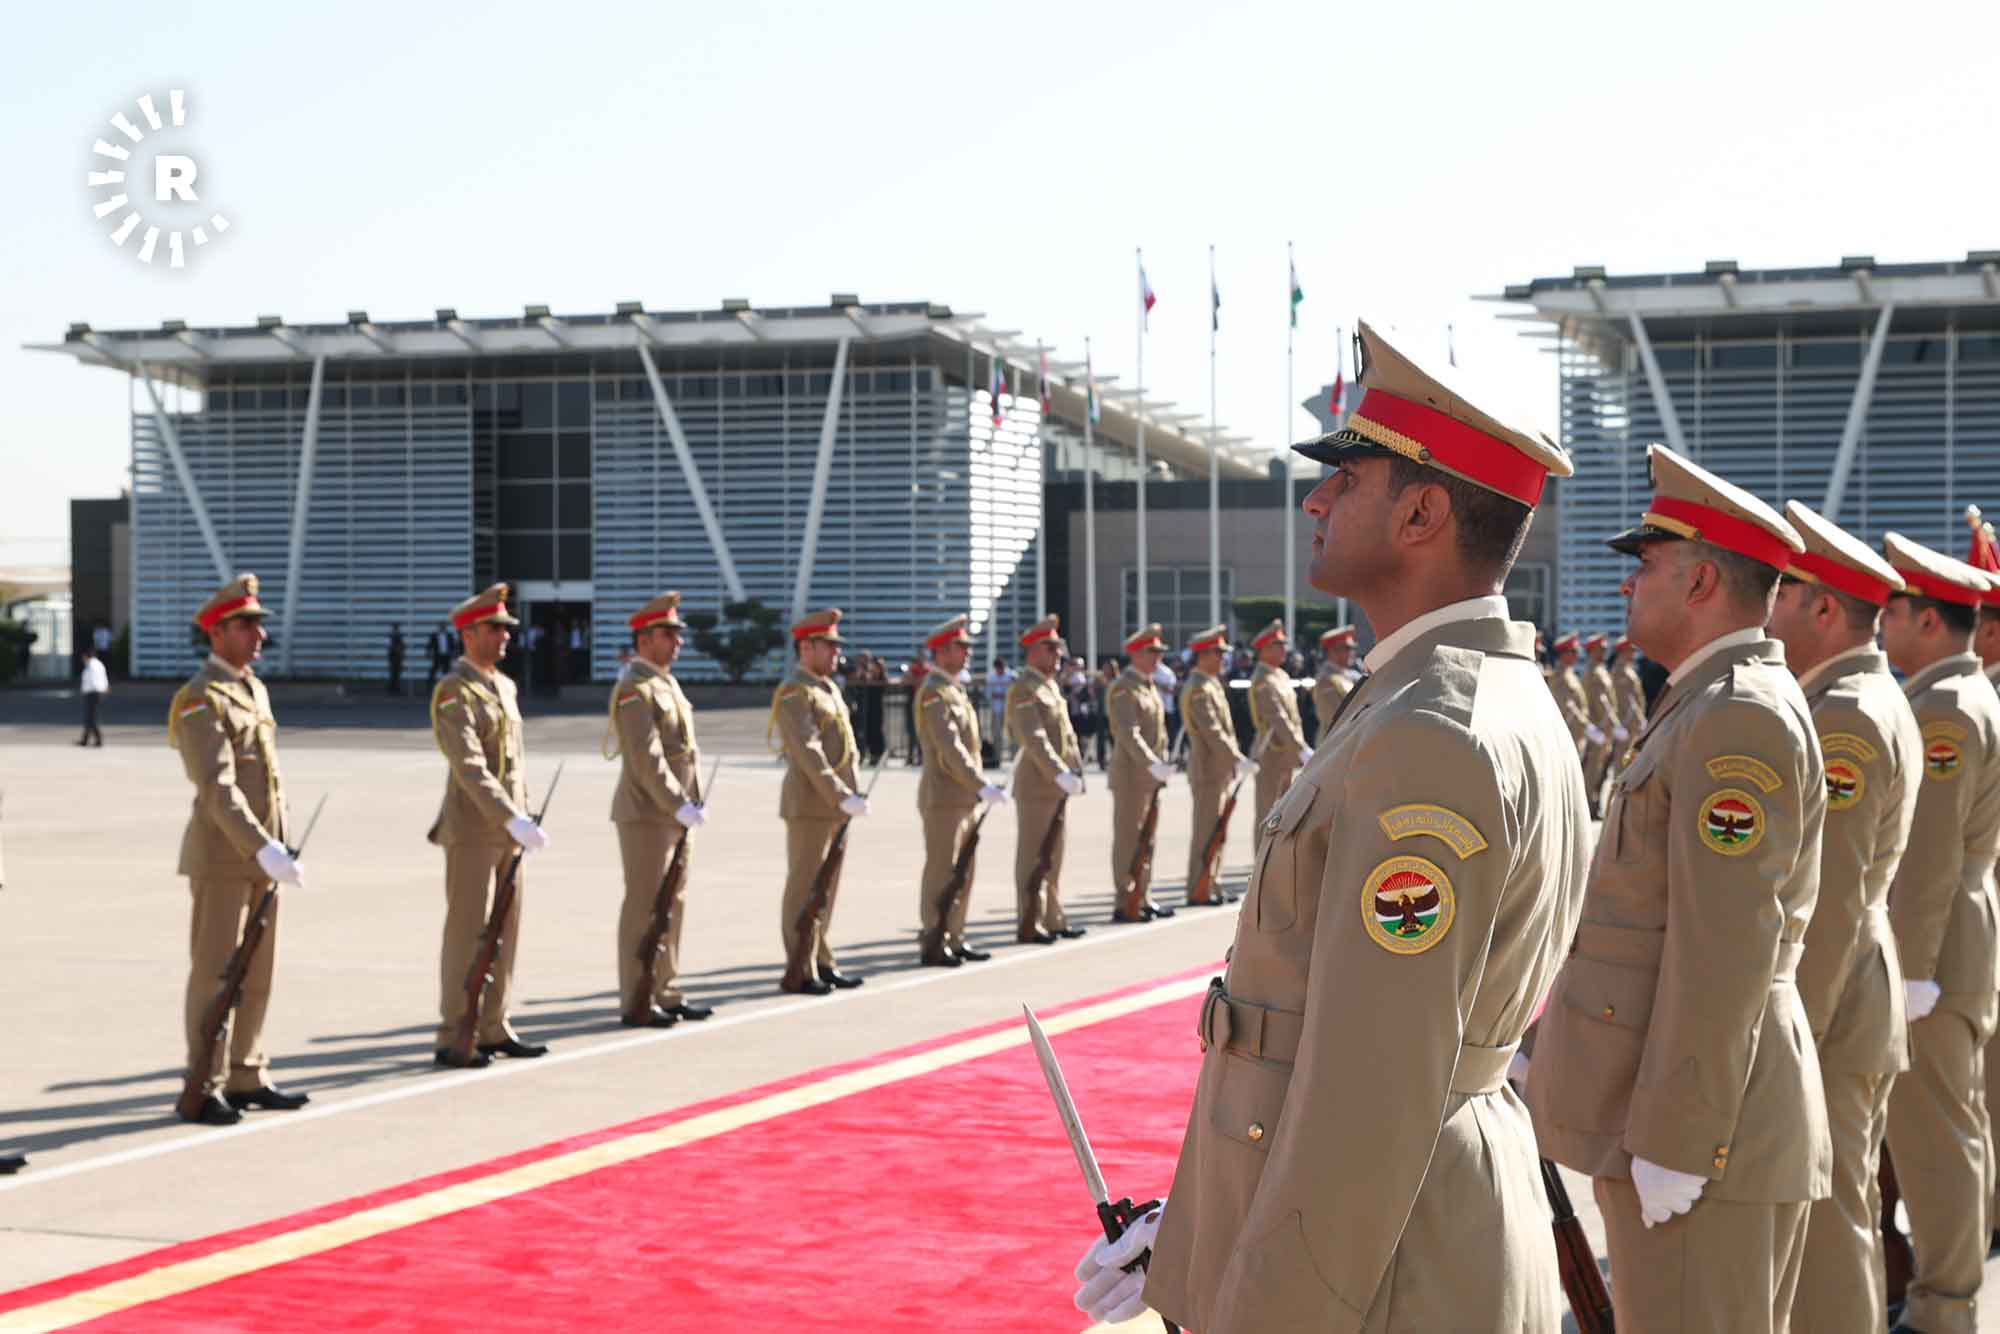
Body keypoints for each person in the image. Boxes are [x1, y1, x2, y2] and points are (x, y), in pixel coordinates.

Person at [1078, 318, 1587, 1332]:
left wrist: (1259, 1305)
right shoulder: (1442, 695)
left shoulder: (1432, 730)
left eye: (1345, 479)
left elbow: (1370, 1088)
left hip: (1384, 1270)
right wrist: (1201, 1233)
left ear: (1422, 513)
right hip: (1397, 1234)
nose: (1314, 498)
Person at [1528, 443, 1828, 1334]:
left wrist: (1678, 1138)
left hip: (1705, 1134)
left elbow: (1725, 949)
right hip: (1688, 1113)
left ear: (1701, 582)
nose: (1629, 583)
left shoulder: (1737, 714)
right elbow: (1642, 921)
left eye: (1648, 564)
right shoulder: (1704, 700)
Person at [1764, 502, 1921, 1334]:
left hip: (1833, 1003)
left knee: (1828, 1225)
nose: (1768, 611)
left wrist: (1793, 1035)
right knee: (1836, 1208)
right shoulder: (1854, 699)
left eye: (1783, 594)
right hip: (1855, 990)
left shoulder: (1845, 719)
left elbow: (1832, 897)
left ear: (1824, 608)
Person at [1875, 532, 2000, 1334]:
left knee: (1937, 1136)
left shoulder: (1945, 709)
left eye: (1892, 612)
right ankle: (1947, 1292)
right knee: (1953, 1126)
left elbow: (1928, 857)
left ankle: (1945, 1305)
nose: (1881, 626)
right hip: (1956, 938)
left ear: (1927, 621)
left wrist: (1912, 971)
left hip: (1938, 950)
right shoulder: (1958, 694)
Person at [167, 574, 310, 1125]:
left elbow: (266, 779)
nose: (259, 635)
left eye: (258, 625)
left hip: (264, 856)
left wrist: (279, 846)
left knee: (258, 972)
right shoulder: (200, 698)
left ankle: (247, 1073)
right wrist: (262, 847)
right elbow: (217, 786)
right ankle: (204, 1083)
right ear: (217, 632)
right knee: (215, 974)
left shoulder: (254, 689)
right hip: (224, 858)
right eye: (247, 625)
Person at [428, 583, 551, 1068]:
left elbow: (513, 763)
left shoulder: (505, 686)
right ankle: (454, 1031)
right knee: (468, 934)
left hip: (509, 830)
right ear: (469, 633)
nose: (505, 637)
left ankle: (494, 1025)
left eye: (506, 628)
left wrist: (525, 812)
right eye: (495, 628)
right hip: (473, 829)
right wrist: (510, 816)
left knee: (505, 930)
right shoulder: (454, 690)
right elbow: (470, 765)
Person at [607, 591, 711, 1029]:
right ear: (644, 639)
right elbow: (646, 758)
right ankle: (637, 995)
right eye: (668, 634)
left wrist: (692, 801)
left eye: (677, 634)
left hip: (675, 814)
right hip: (647, 813)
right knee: (645, 906)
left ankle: (665, 989)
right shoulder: (635, 688)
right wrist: (679, 803)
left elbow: (685, 753)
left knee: (672, 904)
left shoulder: (667, 684)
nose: (677, 642)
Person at [771, 608, 868, 994]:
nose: (835, 653)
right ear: (806, 647)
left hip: (836, 806)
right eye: (828, 645)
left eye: (835, 646)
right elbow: (807, 750)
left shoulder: (828, 688)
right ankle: (800, 965)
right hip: (811, 804)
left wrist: (852, 793)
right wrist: (841, 793)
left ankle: (821, 958)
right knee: (805, 887)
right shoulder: (795, 691)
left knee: (825, 888)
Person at [913, 615, 1008, 967]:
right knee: (942, 871)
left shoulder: (954, 690)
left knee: (963, 872)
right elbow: (949, 748)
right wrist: (980, 784)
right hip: (944, 797)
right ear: (941, 651)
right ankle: (934, 937)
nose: (967, 653)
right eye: (960, 647)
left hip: (964, 797)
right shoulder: (934, 693)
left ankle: (954, 935)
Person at [1007, 615, 1086, 944]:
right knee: (1033, 857)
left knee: (1053, 856)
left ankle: (1053, 917)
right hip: (1037, 785)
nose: (1058, 655)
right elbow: (1034, 738)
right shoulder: (1024, 688)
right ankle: (1030, 919)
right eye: (1050, 648)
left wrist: (1076, 769)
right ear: (1032, 651)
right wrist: (1059, 772)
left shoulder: (1050, 686)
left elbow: (1066, 736)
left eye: (1058, 649)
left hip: (1057, 785)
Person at [1107, 625, 1178, 923]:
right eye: (1152, 652)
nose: (1157, 658)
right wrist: (1152, 763)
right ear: (1135, 653)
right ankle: (1125, 899)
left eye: (1159, 652)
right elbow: (1128, 733)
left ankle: (1142, 895)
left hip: (1149, 777)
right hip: (1131, 776)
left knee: (1146, 838)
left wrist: (1161, 764)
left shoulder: (1148, 685)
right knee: (1129, 839)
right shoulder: (1124, 687)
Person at [1179, 626, 1251, 906]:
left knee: (1218, 830)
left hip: (1218, 770)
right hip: (1207, 769)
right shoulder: (1198, 687)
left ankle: (1212, 883)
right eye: (1217, 653)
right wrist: (1236, 757)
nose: (1223, 658)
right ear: (1203, 655)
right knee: (1206, 831)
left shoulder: (1211, 684)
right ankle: (1198, 886)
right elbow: (1212, 731)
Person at [1246, 619, 1310, 847]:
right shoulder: (1262, 679)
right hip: (1270, 754)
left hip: (1285, 754)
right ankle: (1260, 862)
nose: (1284, 650)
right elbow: (1277, 717)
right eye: (1278, 645)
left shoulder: (1280, 675)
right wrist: (1300, 747)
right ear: (1264, 649)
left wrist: (1298, 747)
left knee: (1282, 815)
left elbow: (1293, 717)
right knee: (1267, 813)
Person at [1580, 632, 1621, 810]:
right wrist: (1611, 722)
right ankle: (1588, 806)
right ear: (1592, 651)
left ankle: (1594, 804)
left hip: (1604, 729)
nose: (1604, 652)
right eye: (1601, 649)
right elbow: (1600, 701)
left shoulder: (1600, 670)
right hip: (1599, 728)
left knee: (1601, 771)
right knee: (1592, 771)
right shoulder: (1593, 673)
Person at [1311, 624, 1359, 743]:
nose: (1352, 653)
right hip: (1334, 743)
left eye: (1352, 649)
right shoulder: (1326, 680)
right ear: (1332, 651)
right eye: (1347, 649)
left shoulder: (1347, 675)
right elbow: (1337, 718)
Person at [1611, 635, 1647, 766]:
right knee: (1623, 764)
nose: (1634, 653)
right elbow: (1627, 701)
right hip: (1627, 724)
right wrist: (1640, 719)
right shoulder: (1620, 672)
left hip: (1632, 724)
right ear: (1623, 651)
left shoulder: (1627, 669)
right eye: (1631, 650)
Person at [987, 658, 1015, 765]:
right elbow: (988, 693)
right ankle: (997, 757)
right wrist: (998, 695)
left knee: (1012, 733)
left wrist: (1004, 695)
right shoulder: (992, 677)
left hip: (1010, 709)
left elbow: (1015, 692)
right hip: (996, 708)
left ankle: (1013, 756)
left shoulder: (1011, 675)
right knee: (996, 733)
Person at [78, 646, 107, 747]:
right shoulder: (98, 664)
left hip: (93, 693)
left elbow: (92, 681)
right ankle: (85, 739)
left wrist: (86, 690)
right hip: (96, 692)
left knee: (91, 718)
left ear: (86, 656)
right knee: (90, 718)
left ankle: (98, 739)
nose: (82, 659)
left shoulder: (92, 666)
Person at [1155, 654, 1182, 750]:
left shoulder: (1166, 672)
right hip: (1154, 709)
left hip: (1166, 708)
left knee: (1167, 734)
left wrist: (1156, 684)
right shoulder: (1146, 671)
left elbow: (1172, 690)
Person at [387, 624, 406, 695]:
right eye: (396, 629)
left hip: (397, 657)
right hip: (394, 657)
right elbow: (391, 648)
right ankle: (393, 688)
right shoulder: (393, 637)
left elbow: (402, 646)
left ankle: (394, 688)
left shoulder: (397, 636)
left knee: (396, 673)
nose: (397, 630)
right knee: (394, 673)